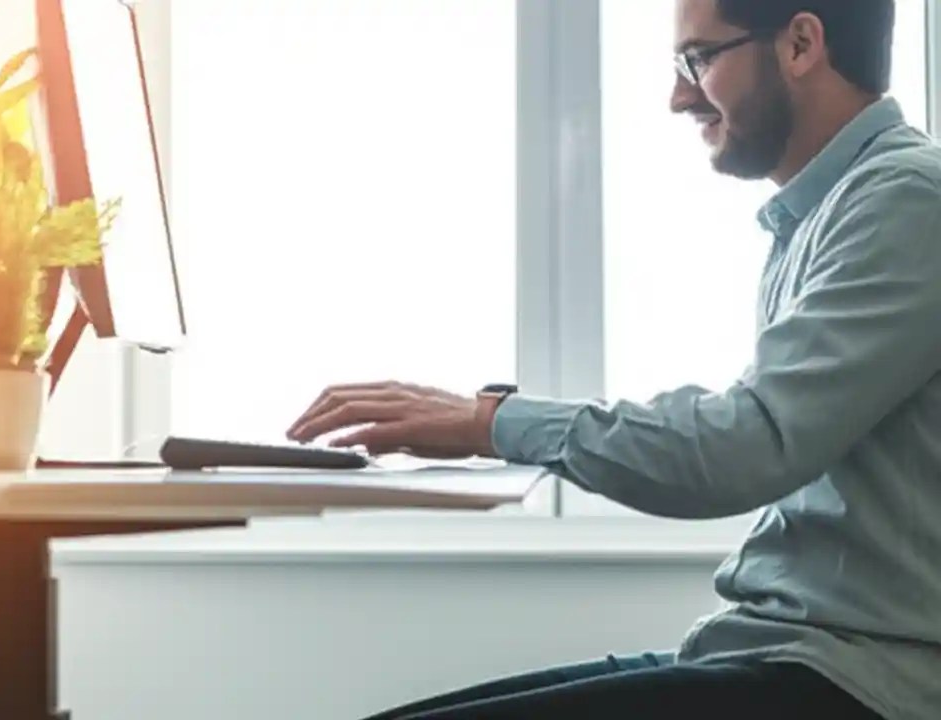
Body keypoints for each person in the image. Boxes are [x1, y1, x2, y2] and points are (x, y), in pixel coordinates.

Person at [286, 0, 941, 718]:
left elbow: (749, 445)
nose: (678, 96)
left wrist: (490, 423)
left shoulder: (907, 201)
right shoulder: (826, 213)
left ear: (801, 43)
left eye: (699, 59)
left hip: (860, 682)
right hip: (774, 653)